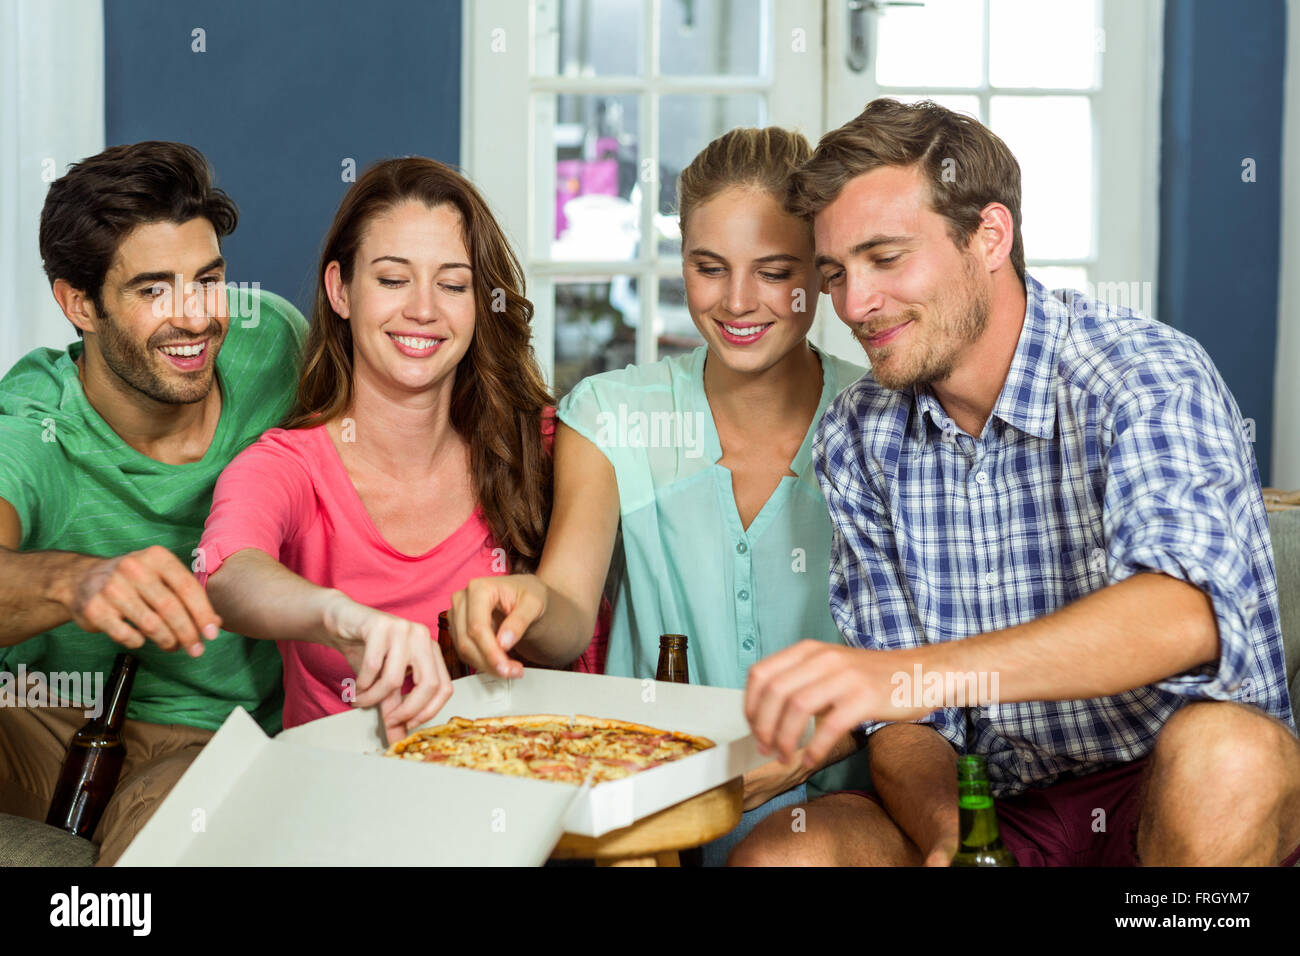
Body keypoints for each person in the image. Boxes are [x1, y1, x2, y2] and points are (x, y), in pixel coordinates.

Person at [735, 98, 1300, 867]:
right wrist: (957, 842)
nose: (854, 305)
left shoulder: (1141, 375)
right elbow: (908, 727)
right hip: (995, 807)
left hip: (1170, 795)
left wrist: (902, 677)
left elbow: (1187, 615)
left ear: (989, 236)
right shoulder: (858, 434)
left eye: (886, 258)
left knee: (1229, 753)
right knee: (788, 855)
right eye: (835, 274)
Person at [449, 127, 867, 865]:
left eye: (774, 272)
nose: (738, 302)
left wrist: (814, 751)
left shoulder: (878, 417)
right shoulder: (612, 415)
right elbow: (569, 612)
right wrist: (526, 603)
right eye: (710, 268)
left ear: (821, 272)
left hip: (837, 801)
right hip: (652, 800)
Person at [199, 157, 604, 744]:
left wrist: (532, 599)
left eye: (453, 284)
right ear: (341, 290)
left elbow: (571, 622)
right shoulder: (285, 465)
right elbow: (227, 574)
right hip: (344, 806)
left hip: (516, 791)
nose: (422, 309)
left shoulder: (552, 445)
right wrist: (340, 616)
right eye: (392, 279)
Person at [0, 141, 307, 865]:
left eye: (208, 280)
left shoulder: (276, 345)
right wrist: (77, 580)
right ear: (80, 304)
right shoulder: (34, 423)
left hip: (213, 735)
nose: (196, 318)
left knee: (172, 844)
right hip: (44, 716)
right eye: (151, 290)